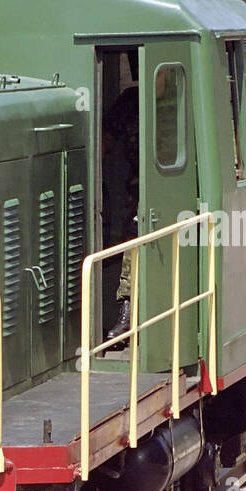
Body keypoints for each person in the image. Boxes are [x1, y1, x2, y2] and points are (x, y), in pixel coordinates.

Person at [101, 85, 139, 343]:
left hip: (180, 190)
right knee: (131, 244)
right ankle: (127, 312)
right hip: (137, 190)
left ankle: (129, 313)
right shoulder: (130, 101)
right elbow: (105, 141)